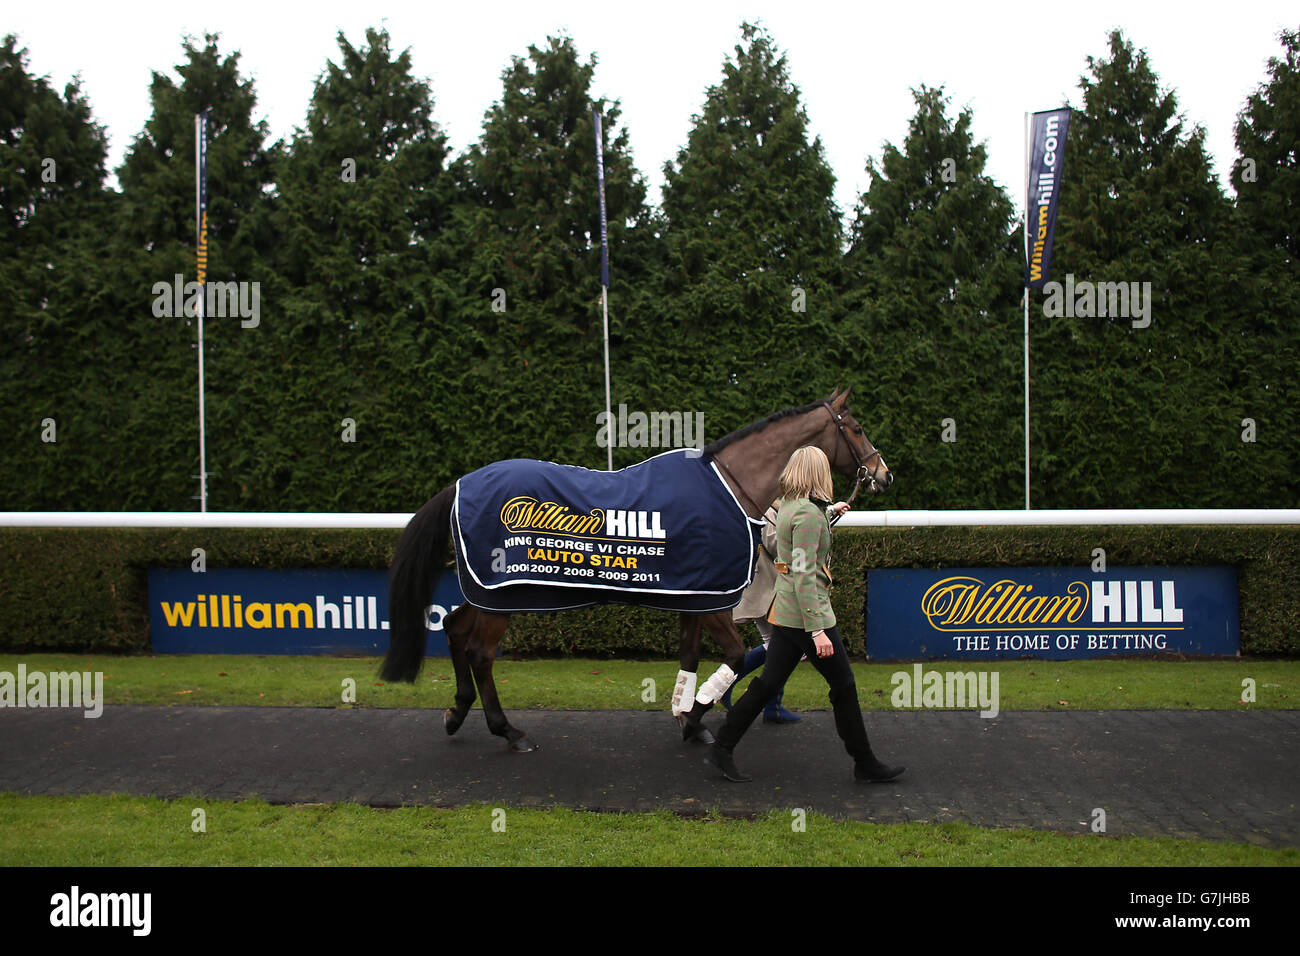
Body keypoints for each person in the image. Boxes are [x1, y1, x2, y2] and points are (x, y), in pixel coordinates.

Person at [705, 446, 905, 784]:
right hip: (806, 614)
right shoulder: (809, 514)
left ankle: (723, 745)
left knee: (768, 683)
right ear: (818, 473)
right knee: (843, 684)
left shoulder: (791, 507)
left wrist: (829, 514)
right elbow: (805, 573)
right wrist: (817, 632)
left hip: (786, 608)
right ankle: (865, 762)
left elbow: (796, 547)